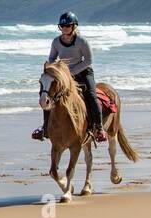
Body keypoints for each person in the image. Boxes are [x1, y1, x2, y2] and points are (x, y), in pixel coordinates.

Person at [33, 12, 107, 143]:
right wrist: (52, 70)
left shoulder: (81, 41)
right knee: (48, 96)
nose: (65, 28)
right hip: (64, 75)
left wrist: (71, 71)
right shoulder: (56, 41)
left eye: (67, 25)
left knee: (91, 95)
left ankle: (99, 127)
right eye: (62, 25)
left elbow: (88, 60)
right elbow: (51, 59)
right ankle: (45, 128)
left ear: (74, 26)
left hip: (83, 71)